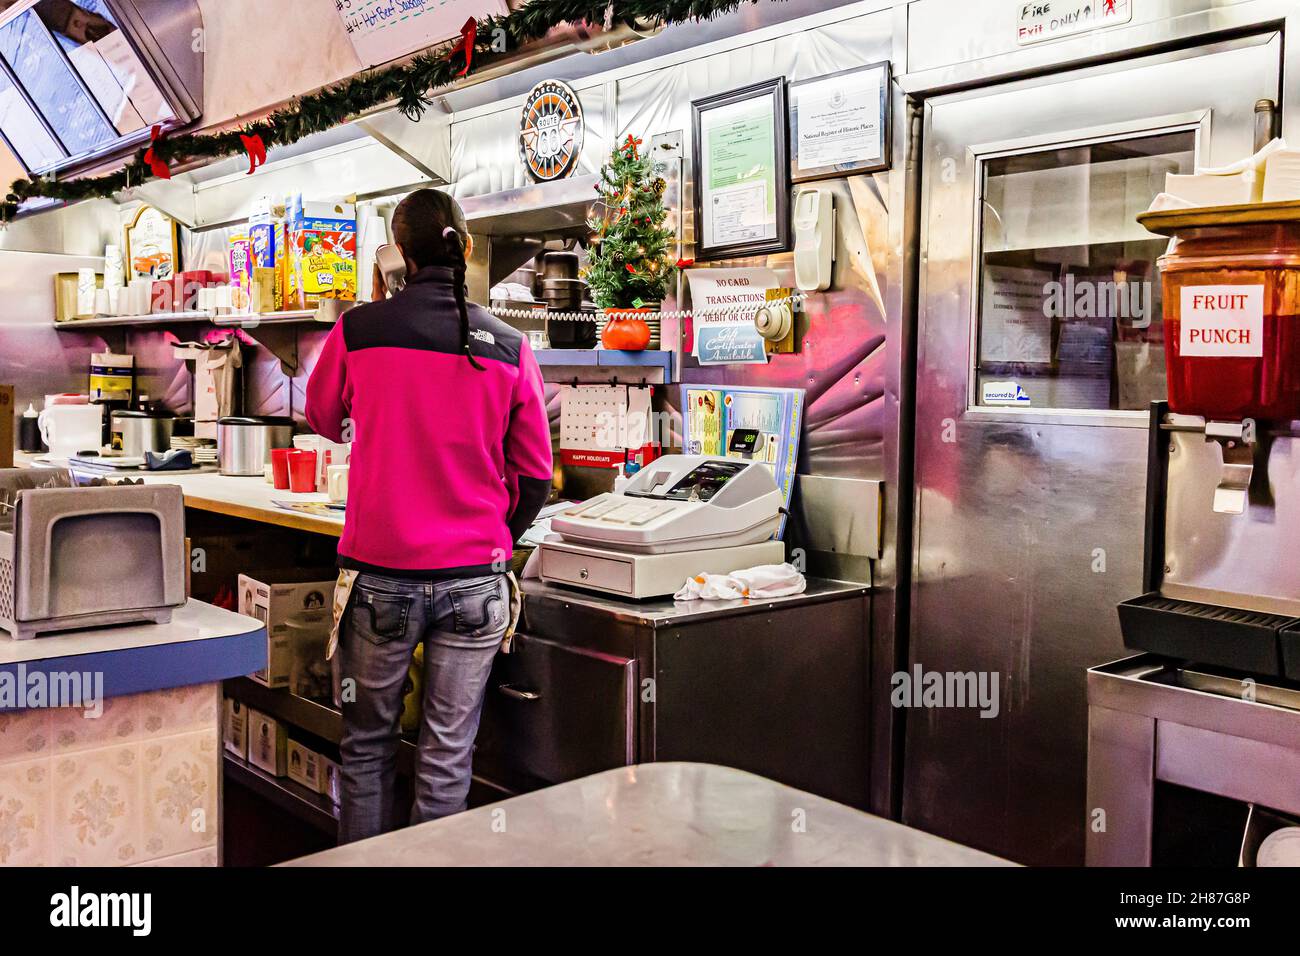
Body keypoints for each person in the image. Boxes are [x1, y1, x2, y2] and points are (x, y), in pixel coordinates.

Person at [306, 188, 553, 843]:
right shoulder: (508, 346)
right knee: (447, 760)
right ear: (466, 249)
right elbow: (535, 475)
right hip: (475, 583)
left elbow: (322, 417)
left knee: (367, 748)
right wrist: (496, 536)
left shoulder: (358, 330)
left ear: (399, 255)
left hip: (379, 578)